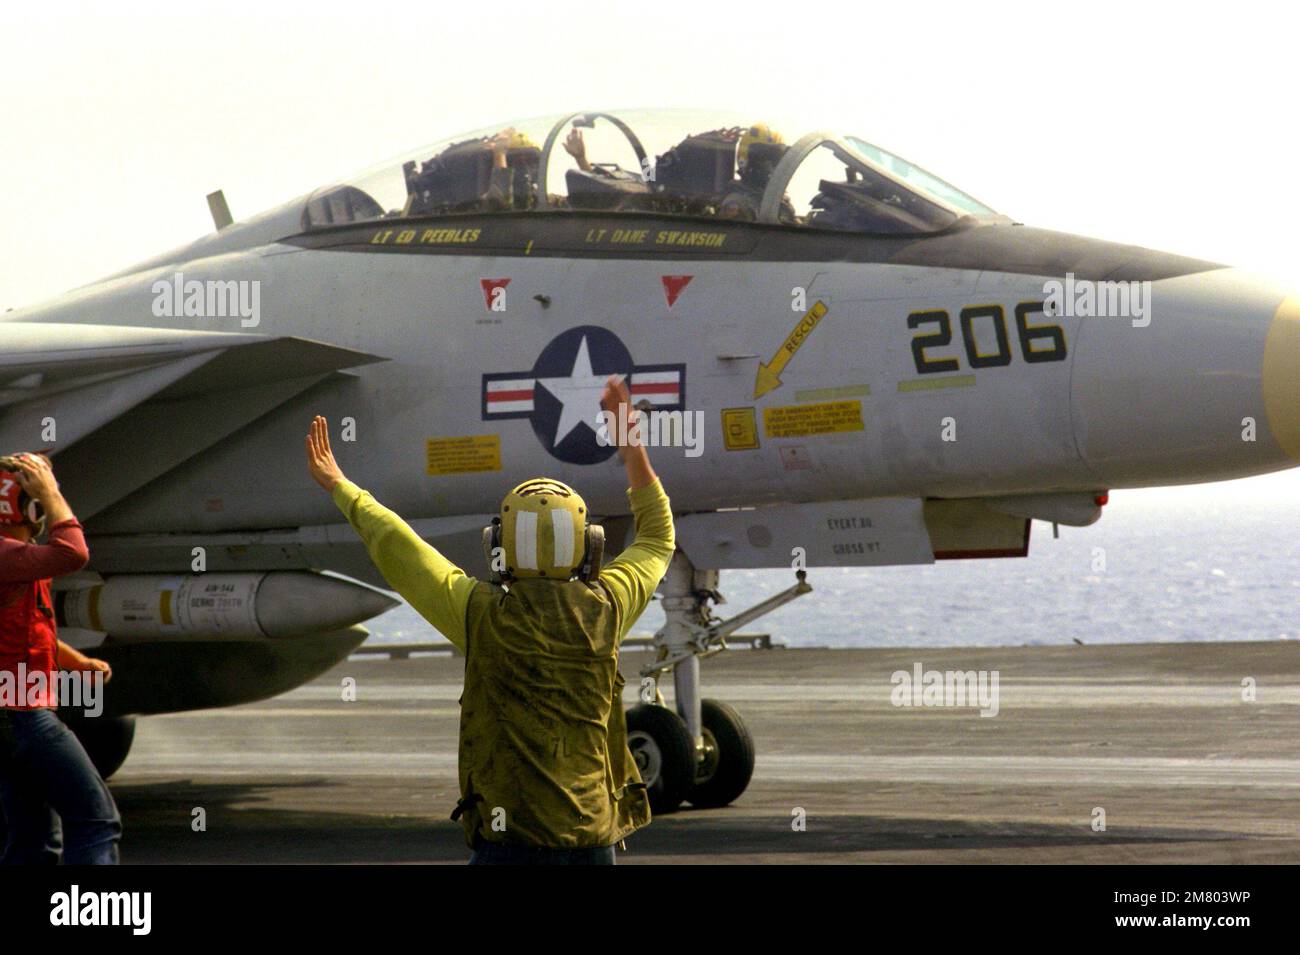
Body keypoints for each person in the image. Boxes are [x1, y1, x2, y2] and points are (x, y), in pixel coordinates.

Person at [305, 376, 675, 864]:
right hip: (593, 838)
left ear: (501, 546)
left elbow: (400, 548)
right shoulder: (608, 606)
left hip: (510, 841)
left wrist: (341, 486)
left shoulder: (479, 613)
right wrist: (630, 448)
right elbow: (657, 536)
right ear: (588, 544)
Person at [0, 453, 120, 865]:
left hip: (9, 719)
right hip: (23, 715)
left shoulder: (15, 560)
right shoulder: (8, 557)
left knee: (33, 836)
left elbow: (27, 632)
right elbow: (73, 552)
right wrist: (51, 494)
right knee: (95, 822)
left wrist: (77, 664)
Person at [718, 123, 794, 222]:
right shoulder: (736, 204)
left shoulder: (779, 203)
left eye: (775, 159)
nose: (770, 166)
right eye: (763, 158)